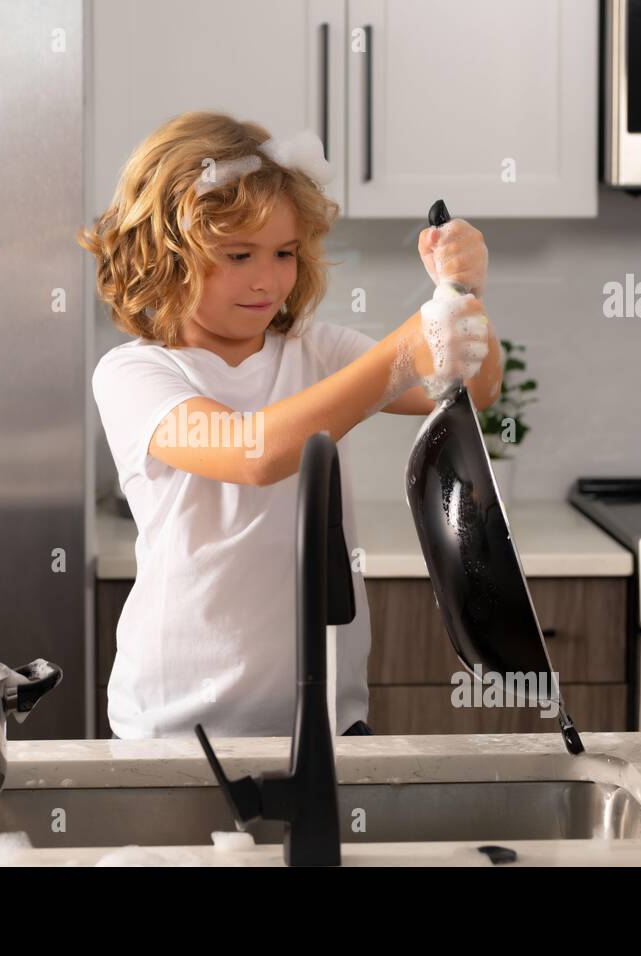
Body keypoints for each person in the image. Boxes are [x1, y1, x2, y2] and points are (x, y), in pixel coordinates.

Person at [80, 111, 500, 739]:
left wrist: (461, 294)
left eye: (285, 253)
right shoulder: (133, 374)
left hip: (327, 714)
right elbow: (251, 452)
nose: (268, 279)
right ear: (162, 255)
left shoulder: (315, 349)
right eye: (239, 254)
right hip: (178, 724)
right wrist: (405, 348)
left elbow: (469, 391)